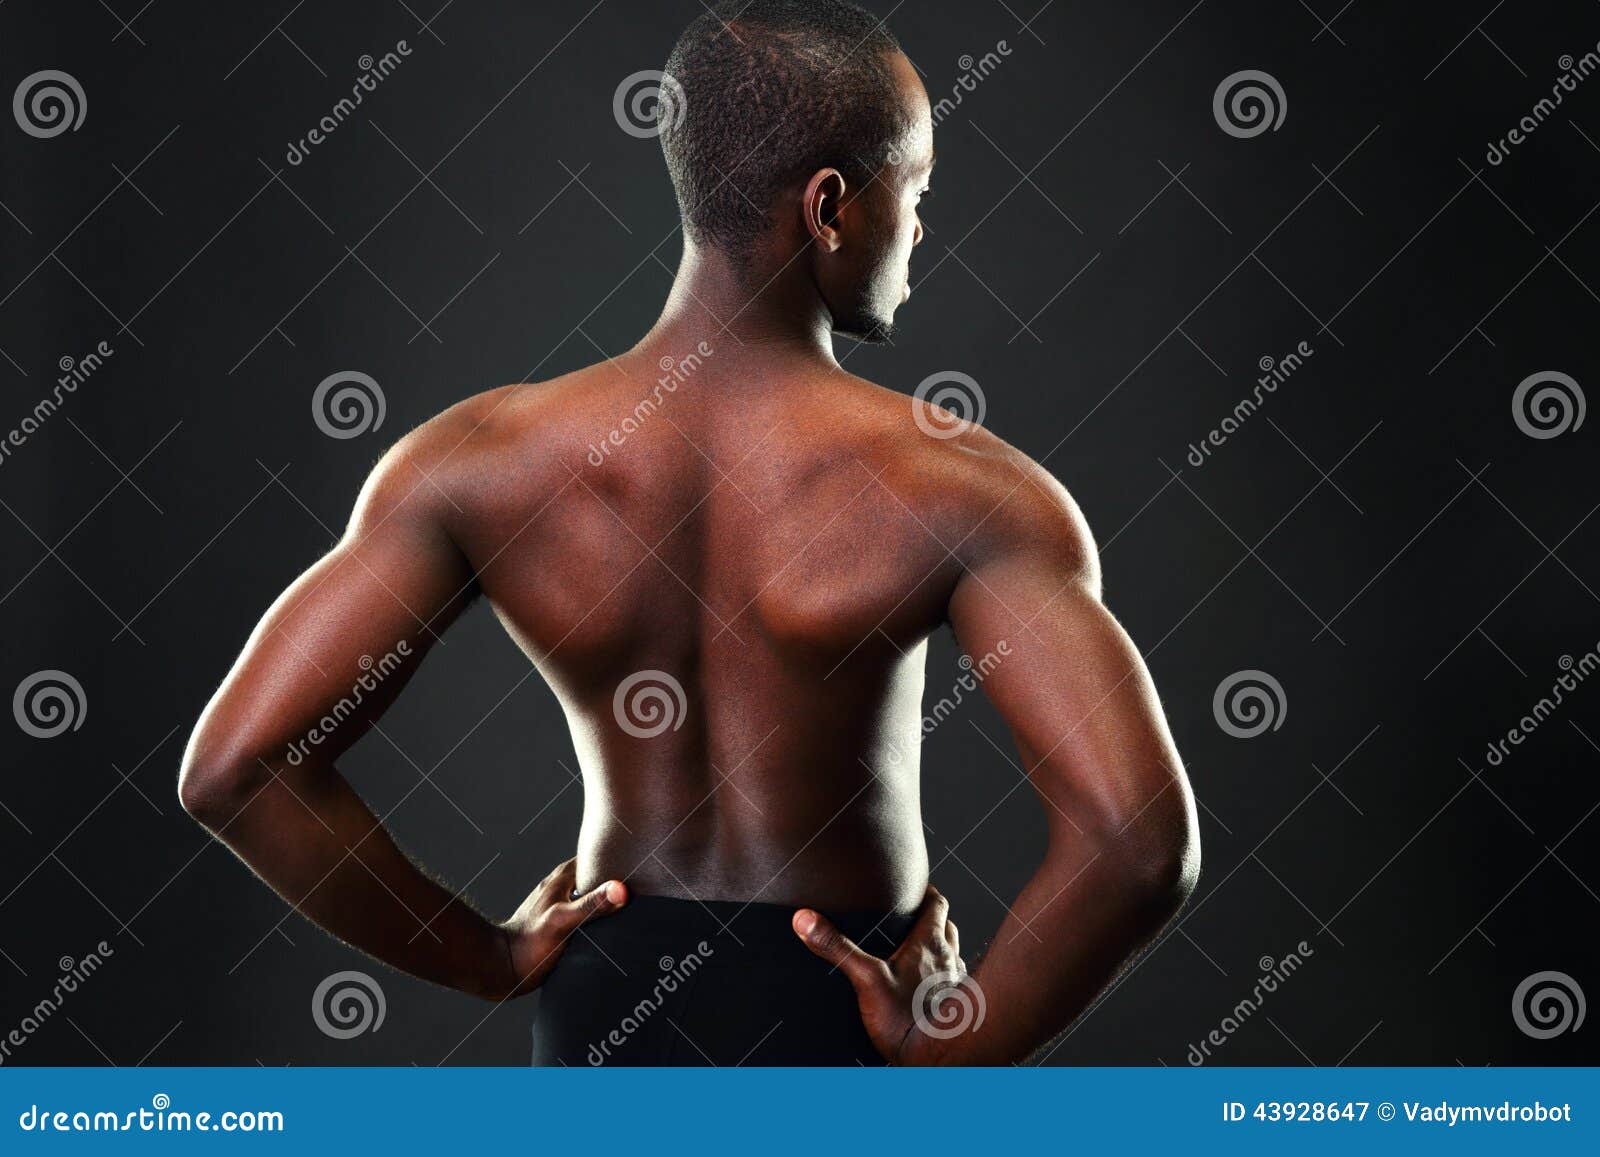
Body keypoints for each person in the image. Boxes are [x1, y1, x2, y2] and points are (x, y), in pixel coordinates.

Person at [179, 0, 1199, 1066]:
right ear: (831, 206)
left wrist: (485, 957)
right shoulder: (964, 487)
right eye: (919, 192)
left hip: (601, 1023)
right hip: (831, 1026)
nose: (921, 230)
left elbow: (240, 770)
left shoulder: (475, 460)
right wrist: (954, 1044)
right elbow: (1135, 844)